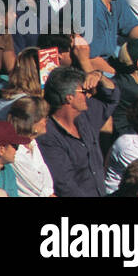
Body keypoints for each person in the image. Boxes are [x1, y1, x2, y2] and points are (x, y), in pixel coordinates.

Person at [37, 66, 120, 197]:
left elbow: (112, 97)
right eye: (83, 91)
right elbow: (65, 184)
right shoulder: (48, 136)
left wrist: (99, 76)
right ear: (69, 98)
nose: (88, 94)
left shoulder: (87, 115)